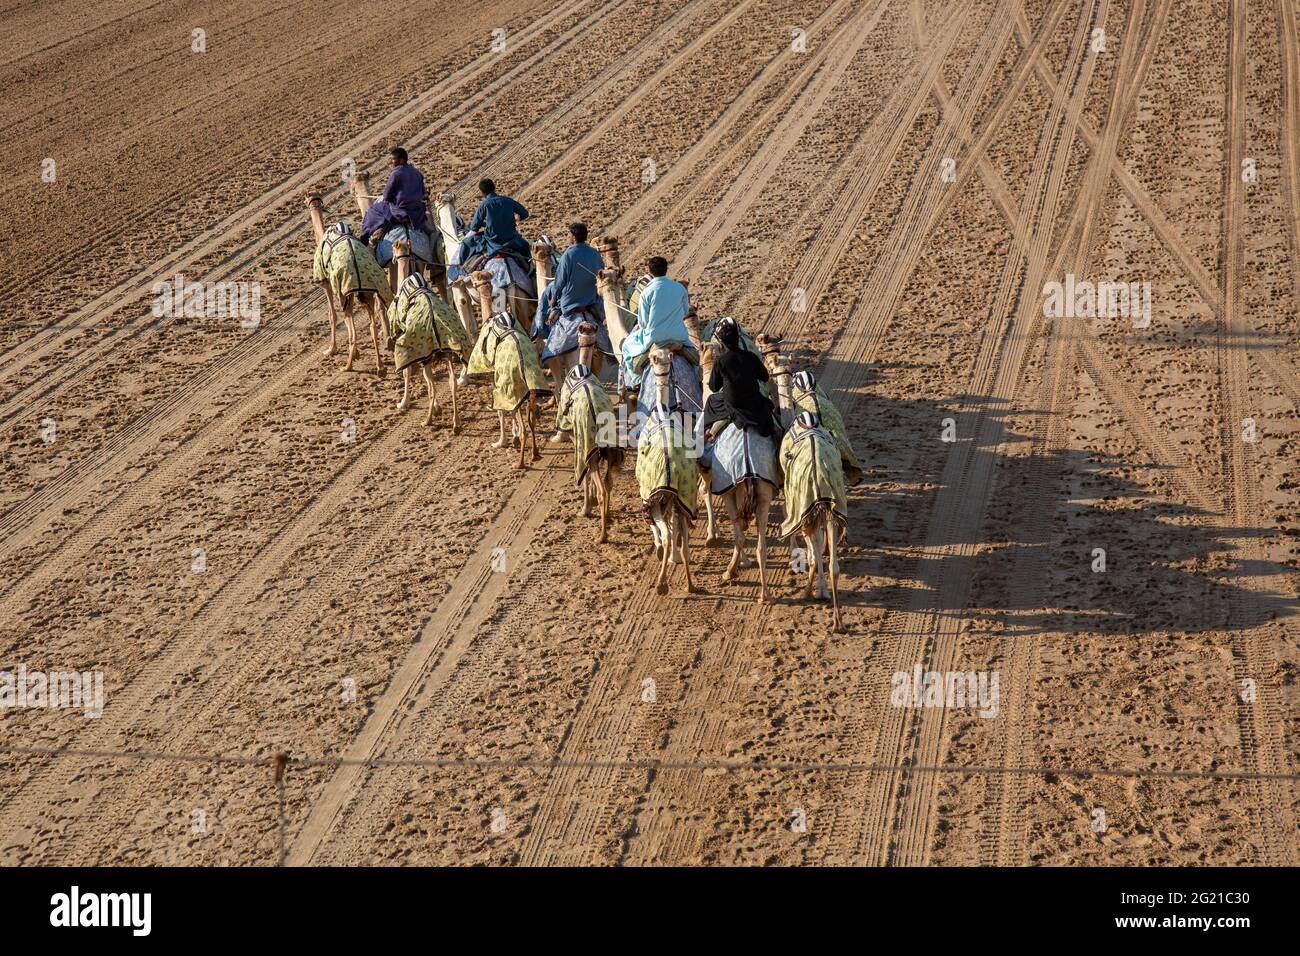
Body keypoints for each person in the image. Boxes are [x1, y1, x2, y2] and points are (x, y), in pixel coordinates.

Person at [701, 316, 779, 439]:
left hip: (731, 404)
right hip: (753, 402)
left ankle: (705, 436)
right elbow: (764, 377)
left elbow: (714, 387)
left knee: (711, 400)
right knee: (771, 408)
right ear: (738, 338)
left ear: (721, 341)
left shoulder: (720, 361)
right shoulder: (751, 356)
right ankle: (778, 437)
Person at [619, 256, 693, 380]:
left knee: (626, 345)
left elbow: (643, 323)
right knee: (697, 359)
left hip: (654, 338)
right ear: (666, 269)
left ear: (650, 271)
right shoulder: (680, 288)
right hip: (679, 336)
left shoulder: (646, 293)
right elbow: (685, 312)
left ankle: (634, 382)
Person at [361, 147, 428, 243]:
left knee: (372, 210)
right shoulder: (417, 173)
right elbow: (423, 193)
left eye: (393, 159)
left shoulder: (396, 173)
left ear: (401, 160)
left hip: (400, 212)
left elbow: (386, 196)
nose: (391, 162)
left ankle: (365, 238)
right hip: (417, 212)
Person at [465, 178, 530, 260]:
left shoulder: (484, 205)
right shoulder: (508, 200)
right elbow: (525, 214)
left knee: (465, 244)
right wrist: (516, 219)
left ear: (481, 192)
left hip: (493, 242)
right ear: (494, 188)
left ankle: (459, 270)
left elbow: (474, 227)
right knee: (528, 251)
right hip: (512, 239)